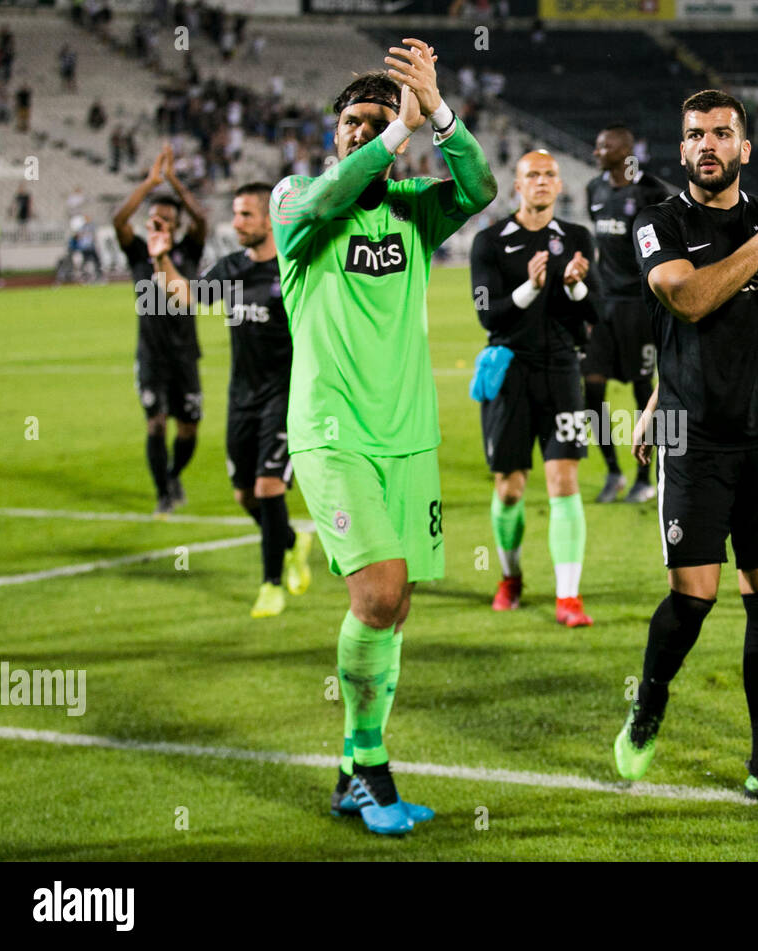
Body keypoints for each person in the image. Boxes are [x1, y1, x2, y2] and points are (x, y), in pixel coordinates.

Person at [270, 42, 496, 835]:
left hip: (407, 437)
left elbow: (480, 187)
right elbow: (333, 191)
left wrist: (437, 112)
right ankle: (371, 768)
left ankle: (345, 773)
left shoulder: (412, 211)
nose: (364, 133)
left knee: (396, 608)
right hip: (331, 432)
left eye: (378, 118)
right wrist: (396, 134)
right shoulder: (298, 198)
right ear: (335, 134)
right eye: (352, 124)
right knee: (375, 591)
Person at [614, 89, 758, 805]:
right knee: (695, 597)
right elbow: (688, 299)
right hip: (693, 437)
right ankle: (649, 703)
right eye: (694, 135)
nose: (706, 144)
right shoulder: (659, 222)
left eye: (721, 133)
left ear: (745, 149)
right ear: (681, 151)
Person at [146, 182, 314, 619]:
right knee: (244, 496)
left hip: (285, 396)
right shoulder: (232, 269)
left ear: (268, 218)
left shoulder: (293, 269)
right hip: (241, 398)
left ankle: (271, 584)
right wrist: (161, 257)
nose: (235, 223)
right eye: (235, 214)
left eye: (245, 215)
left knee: (267, 485)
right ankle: (293, 542)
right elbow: (185, 295)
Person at [469, 150, 597, 627]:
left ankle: (569, 597)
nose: (541, 182)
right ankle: (510, 576)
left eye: (549, 175)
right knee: (509, 489)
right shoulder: (488, 242)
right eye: (532, 175)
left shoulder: (578, 239)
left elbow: (594, 313)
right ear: (516, 185)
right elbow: (487, 313)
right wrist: (531, 286)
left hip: (562, 371)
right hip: (509, 373)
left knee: (563, 481)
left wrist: (577, 285)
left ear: (559, 186)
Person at [113, 142, 209, 516]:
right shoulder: (138, 252)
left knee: (188, 429)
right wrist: (148, 183)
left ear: (176, 225)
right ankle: (162, 493)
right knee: (155, 424)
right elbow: (118, 221)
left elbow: (201, 220)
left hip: (185, 354)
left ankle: (172, 474)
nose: (159, 224)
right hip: (150, 355)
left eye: (166, 220)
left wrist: (175, 182)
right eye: (154, 218)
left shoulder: (189, 250)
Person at [583, 124, 674, 503]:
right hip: (604, 306)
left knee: (644, 391)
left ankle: (645, 475)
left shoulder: (651, 191)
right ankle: (613, 472)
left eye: (603, 146)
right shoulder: (594, 190)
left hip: (640, 307)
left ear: (625, 149)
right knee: (591, 385)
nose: (596, 152)